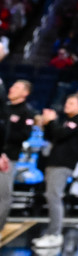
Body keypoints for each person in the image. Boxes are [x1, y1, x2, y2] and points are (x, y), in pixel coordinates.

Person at [31, 92, 78, 250]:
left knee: (54, 197)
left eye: (71, 103)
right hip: (54, 162)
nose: (67, 105)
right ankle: (52, 233)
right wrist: (47, 123)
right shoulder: (66, 121)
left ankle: (55, 234)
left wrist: (52, 121)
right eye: (67, 102)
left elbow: (60, 134)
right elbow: (52, 137)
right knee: (51, 196)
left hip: (63, 164)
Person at [0, 79, 36, 232]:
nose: (12, 88)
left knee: (3, 194)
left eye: (17, 87)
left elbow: (24, 134)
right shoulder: (4, 107)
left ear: (25, 93)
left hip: (8, 157)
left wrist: (4, 140)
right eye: (13, 85)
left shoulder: (26, 111)